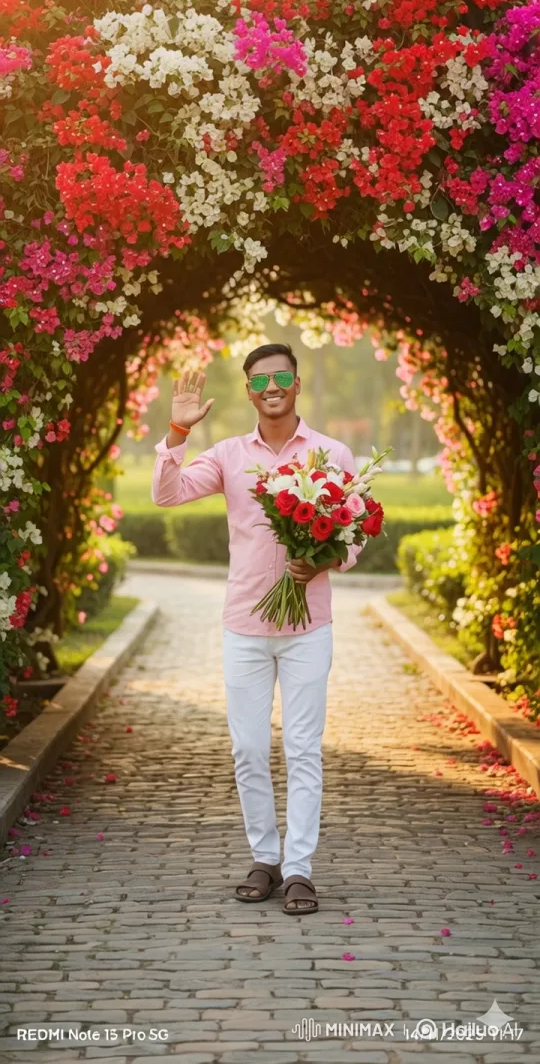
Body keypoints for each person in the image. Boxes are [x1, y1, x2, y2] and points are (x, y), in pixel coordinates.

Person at [151, 343, 363, 914]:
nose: (272, 386)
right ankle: (264, 859)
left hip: (308, 627)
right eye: (260, 379)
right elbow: (166, 494)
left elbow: (358, 532)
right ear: (248, 390)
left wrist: (323, 561)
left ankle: (298, 869)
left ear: (297, 384)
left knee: (302, 749)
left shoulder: (330, 452)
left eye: (282, 377)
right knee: (248, 749)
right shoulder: (227, 454)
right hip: (244, 623)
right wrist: (177, 428)